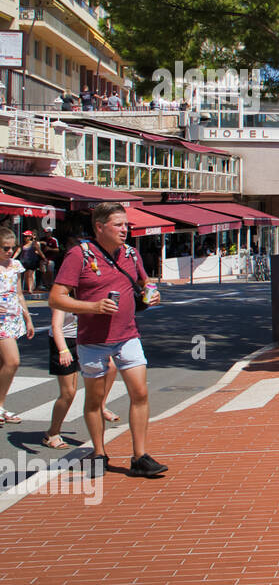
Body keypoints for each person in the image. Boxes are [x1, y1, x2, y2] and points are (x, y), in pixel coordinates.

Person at [49, 203, 164, 478]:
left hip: (128, 336)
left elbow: (145, 284)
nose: (125, 230)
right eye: (118, 225)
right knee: (94, 400)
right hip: (93, 340)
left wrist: (152, 293)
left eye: (126, 225)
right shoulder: (79, 255)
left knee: (140, 393)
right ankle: (99, 453)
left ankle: (140, 456)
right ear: (99, 227)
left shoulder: (131, 254)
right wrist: (93, 307)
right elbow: (56, 298)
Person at [44, 268, 121, 450]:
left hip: (85, 339)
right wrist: (63, 350)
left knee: (111, 367)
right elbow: (56, 327)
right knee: (68, 392)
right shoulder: (62, 296)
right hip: (64, 342)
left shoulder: (90, 294)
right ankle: (52, 433)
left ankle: (101, 406)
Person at [0, 229, 36, 424]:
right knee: (12, 361)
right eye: (5, 248)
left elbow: (20, 294)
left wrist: (28, 319)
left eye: (12, 247)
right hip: (0, 322)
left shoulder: (15, 265)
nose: (9, 251)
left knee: (3, 364)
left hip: (13, 317)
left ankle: (1, 405)